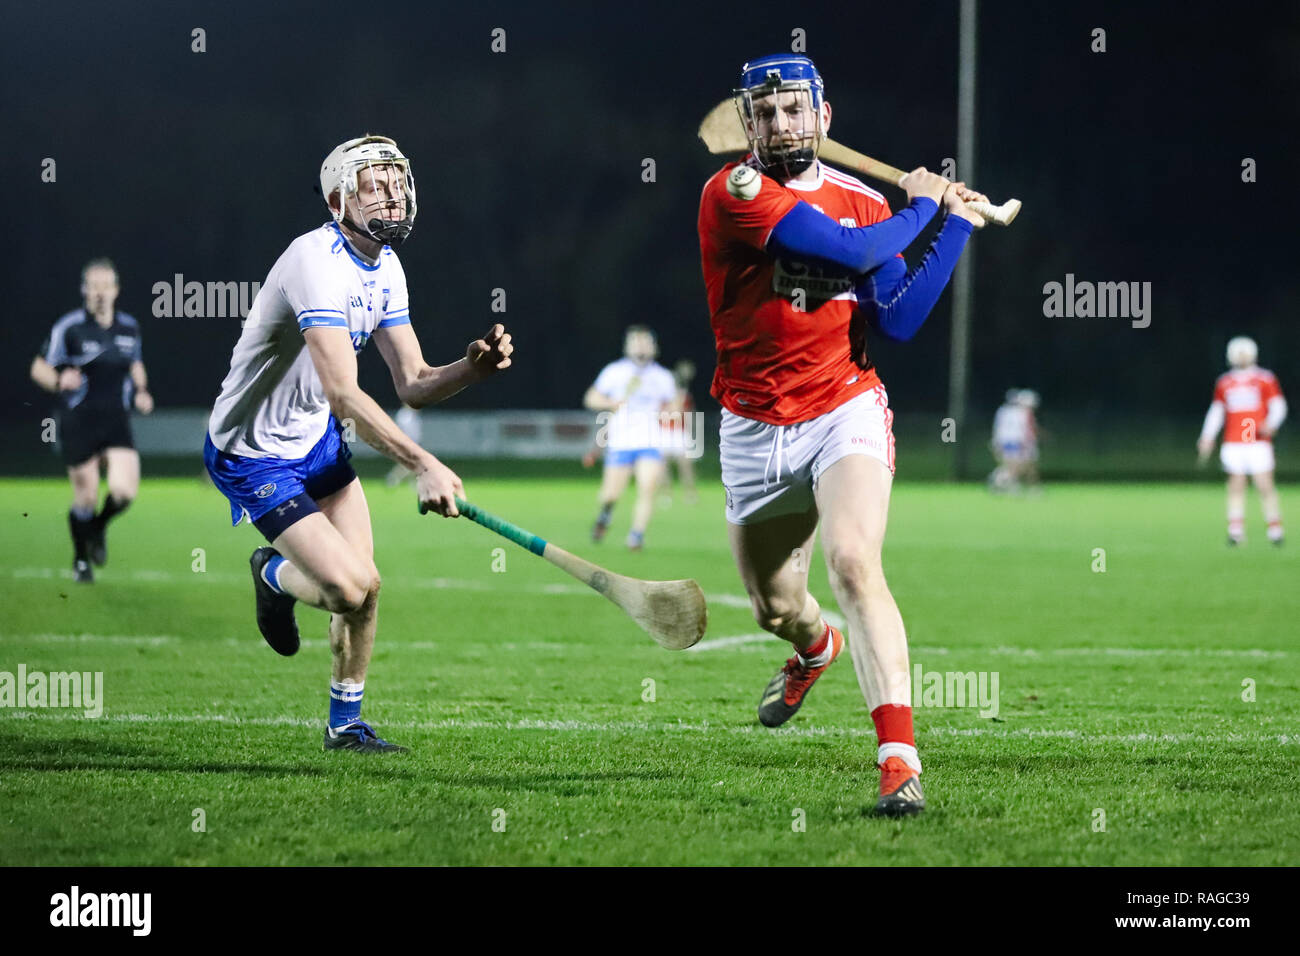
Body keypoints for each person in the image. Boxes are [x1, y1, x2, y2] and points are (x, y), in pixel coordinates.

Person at [698, 54, 985, 815]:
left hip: (842, 406)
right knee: (774, 606)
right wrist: (925, 204)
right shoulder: (734, 191)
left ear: (825, 118)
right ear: (748, 125)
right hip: (755, 425)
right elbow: (854, 254)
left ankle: (899, 763)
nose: (781, 124)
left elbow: (895, 316)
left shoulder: (861, 200)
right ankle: (813, 648)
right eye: (766, 113)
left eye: (796, 110)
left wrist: (951, 226)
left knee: (854, 562)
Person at [204, 135, 513, 753]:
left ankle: (345, 725)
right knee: (346, 588)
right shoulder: (313, 262)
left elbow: (414, 384)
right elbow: (345, 393)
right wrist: (422, 462)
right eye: (376, 182)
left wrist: (468, 371)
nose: (393, 193)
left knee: (367, 585)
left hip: (315, 442)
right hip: (253, 450)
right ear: (338, 197)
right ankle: (272, 575)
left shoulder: (388, 267)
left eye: (398, 180)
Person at [30, 259, 154, 583]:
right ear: (84, 290)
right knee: (85, 496)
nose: (100, 292)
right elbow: (39, 367)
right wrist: (58, 381)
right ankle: (81, 559)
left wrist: (141, 391)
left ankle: (97, 528)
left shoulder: (129, 327)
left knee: (124, 492)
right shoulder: (70, 327)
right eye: (93, 285)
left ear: (116, 290)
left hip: (116, 420)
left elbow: (135, 363)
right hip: (79, 420)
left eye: (106, 285)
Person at [583, 326, 677, 550]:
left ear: (654, 348)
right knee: (610, 495)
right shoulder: (614, 372)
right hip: (621, 441)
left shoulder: (662, 376)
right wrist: (610, 404)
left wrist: (669, 413)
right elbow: (591, 398)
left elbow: (673, 405)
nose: (641, 347)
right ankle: (605, 515)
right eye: (636, 342)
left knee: (647, 489)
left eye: (646, 343)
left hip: (650, 440)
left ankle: (636, 536)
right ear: (628, 347)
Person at [1197, 336, 1286, 545]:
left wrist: (1271, 424)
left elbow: (1278, 405)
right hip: (1234, 442)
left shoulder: (1265, 378)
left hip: (1257, 441)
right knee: (1235, 486)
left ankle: (1275, 530)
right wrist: (1207, 437)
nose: (1241, 356)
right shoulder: (1225, 382)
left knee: (1265, 485)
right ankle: (1235, 531)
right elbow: (1217, 412)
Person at [660, 359, 700, 505]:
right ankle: (666, 494)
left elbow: (688, 413)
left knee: (686, 466)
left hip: (680, 433)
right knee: (663, 466)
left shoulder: (685, 395)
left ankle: (690, 493)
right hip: (664, 432)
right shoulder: (662, 396)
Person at [988, 389, 1041, 494]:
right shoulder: (1020, 412)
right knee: (1017, 466)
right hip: (1016, 441)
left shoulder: (1002, 410)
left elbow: (998, 428)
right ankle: (1001, 482)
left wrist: (996, 442)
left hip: (1005, 441)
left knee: (1013, 466)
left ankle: (1005, 483)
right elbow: (1025, 428)